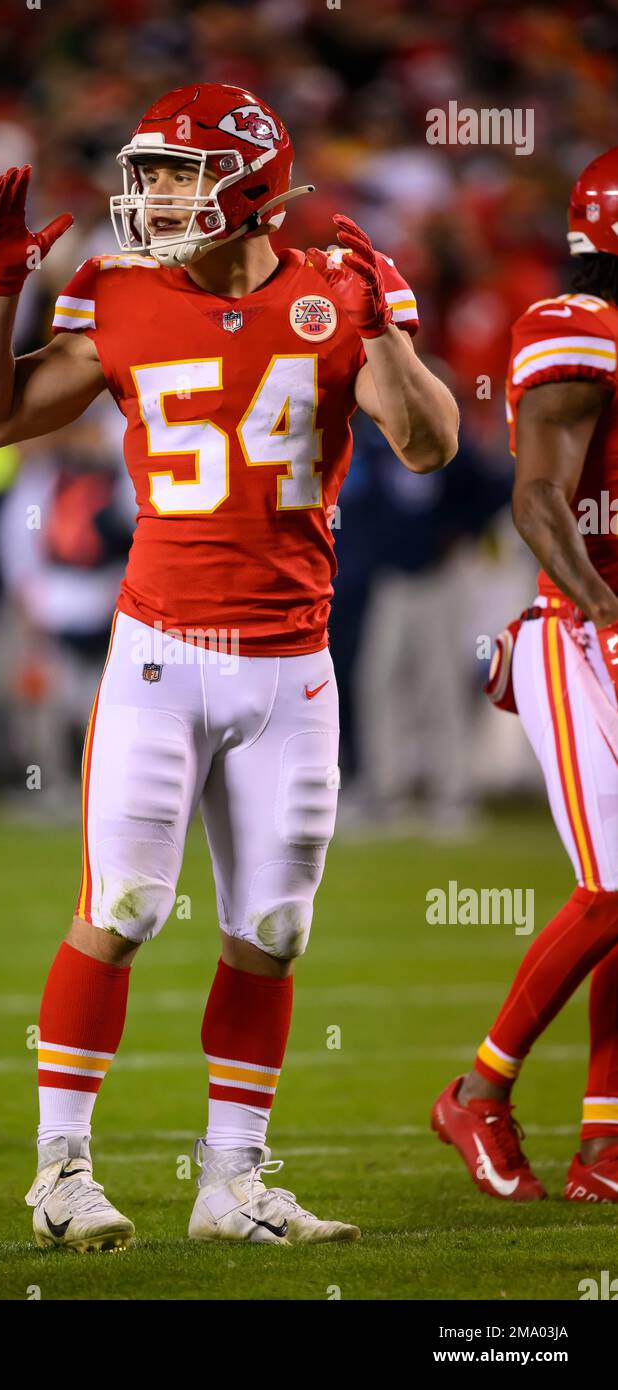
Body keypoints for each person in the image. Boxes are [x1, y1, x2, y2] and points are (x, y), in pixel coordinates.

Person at [0, 83, 458, 1251]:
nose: (153, 196)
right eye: (153, 172)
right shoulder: (118, 295)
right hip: (160, 654)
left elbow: (426, 444)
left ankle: (230, 1181)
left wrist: (378, 324)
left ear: (245, 182)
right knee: (120, 906)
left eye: (176, 173)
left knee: (271, 931)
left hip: (291, 664)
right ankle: (59, 1172)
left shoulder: (339, 289)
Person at [432, 148, 618, 1204]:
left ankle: (602, 1147)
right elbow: (538, 493)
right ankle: (477, 1090)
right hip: (575, 628)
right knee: (610, 884)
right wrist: (596, 606)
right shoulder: (574, 325)